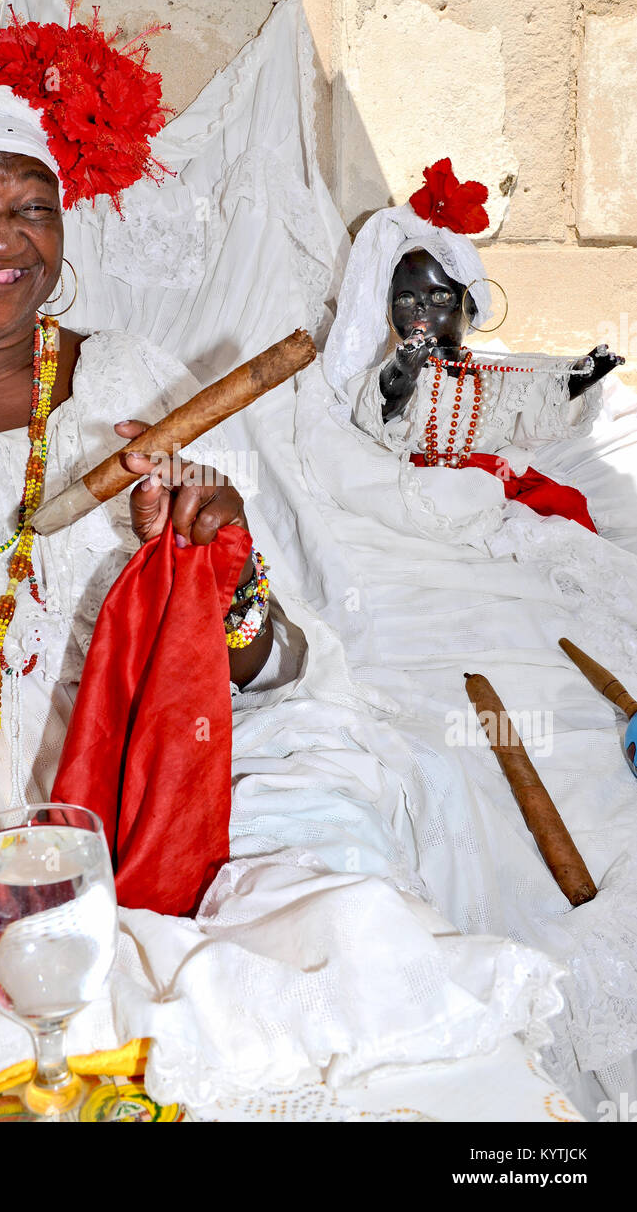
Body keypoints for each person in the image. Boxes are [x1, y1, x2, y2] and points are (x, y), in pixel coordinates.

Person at [0, 0, 567, 1120]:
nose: (0, 231)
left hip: (141, 868)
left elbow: (261, 665)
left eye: (33, 207)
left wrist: (219, 577)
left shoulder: (134, 389)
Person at [287, 159, 637, 1111]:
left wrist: (583, 375)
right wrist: (402, 379)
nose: (429, 319)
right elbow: (369, 423)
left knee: (573, 660)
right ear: (381, 306)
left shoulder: (478, 381)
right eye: (411, 301)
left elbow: (535, 400)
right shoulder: (375, 378)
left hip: (486, 531)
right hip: (417, 544)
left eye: (445, 303)